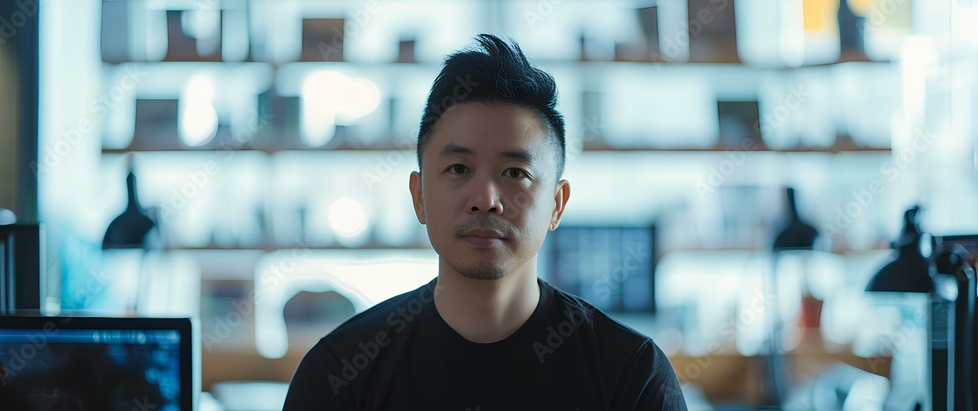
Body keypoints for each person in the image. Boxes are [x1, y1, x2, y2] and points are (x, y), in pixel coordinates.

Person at [283, 33, 688, 410]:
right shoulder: (341, 372)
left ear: (556, 205)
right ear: (419, 196)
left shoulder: (631, 374)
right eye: (459, 168)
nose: (485, 201)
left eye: (515, 173)